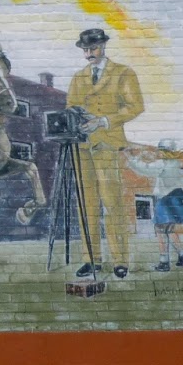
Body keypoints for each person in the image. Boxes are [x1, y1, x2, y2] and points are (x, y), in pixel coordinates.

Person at [66, 27, 144, 279]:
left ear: (104, 46)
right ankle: (91, 259)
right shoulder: (78, 78)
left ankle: (120, 260)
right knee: (86, 205)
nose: (89, 53)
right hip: (83, 146)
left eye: (93, 48)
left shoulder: (123, 73)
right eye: (85, 49)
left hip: (108, 144)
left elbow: (135, 106)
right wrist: (78, 119)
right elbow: (70, 108)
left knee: (112, 204)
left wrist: (104, 121)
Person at [128, 140, 183, 272]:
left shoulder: (162, 164)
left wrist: (131, 157)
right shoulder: (175, 163)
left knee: (159, 230)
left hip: (165, 200)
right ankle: (182, 253)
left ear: (164, 151)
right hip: (176, 198)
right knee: (169, 229)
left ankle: (164, 262)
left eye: (160, 150)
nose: (158, 152)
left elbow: (145, 169)